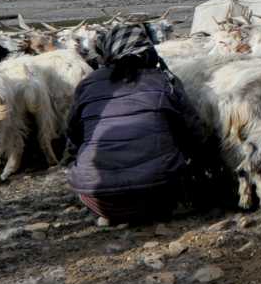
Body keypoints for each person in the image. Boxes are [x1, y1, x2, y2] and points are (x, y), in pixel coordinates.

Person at [66, 23, 209, 226]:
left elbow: (73, 134)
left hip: (98, 199)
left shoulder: (88, 84)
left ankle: (113, 214)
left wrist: (77, 160)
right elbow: (195, 132)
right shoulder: (164, 80)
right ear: (148, 51)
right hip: (156, 195)